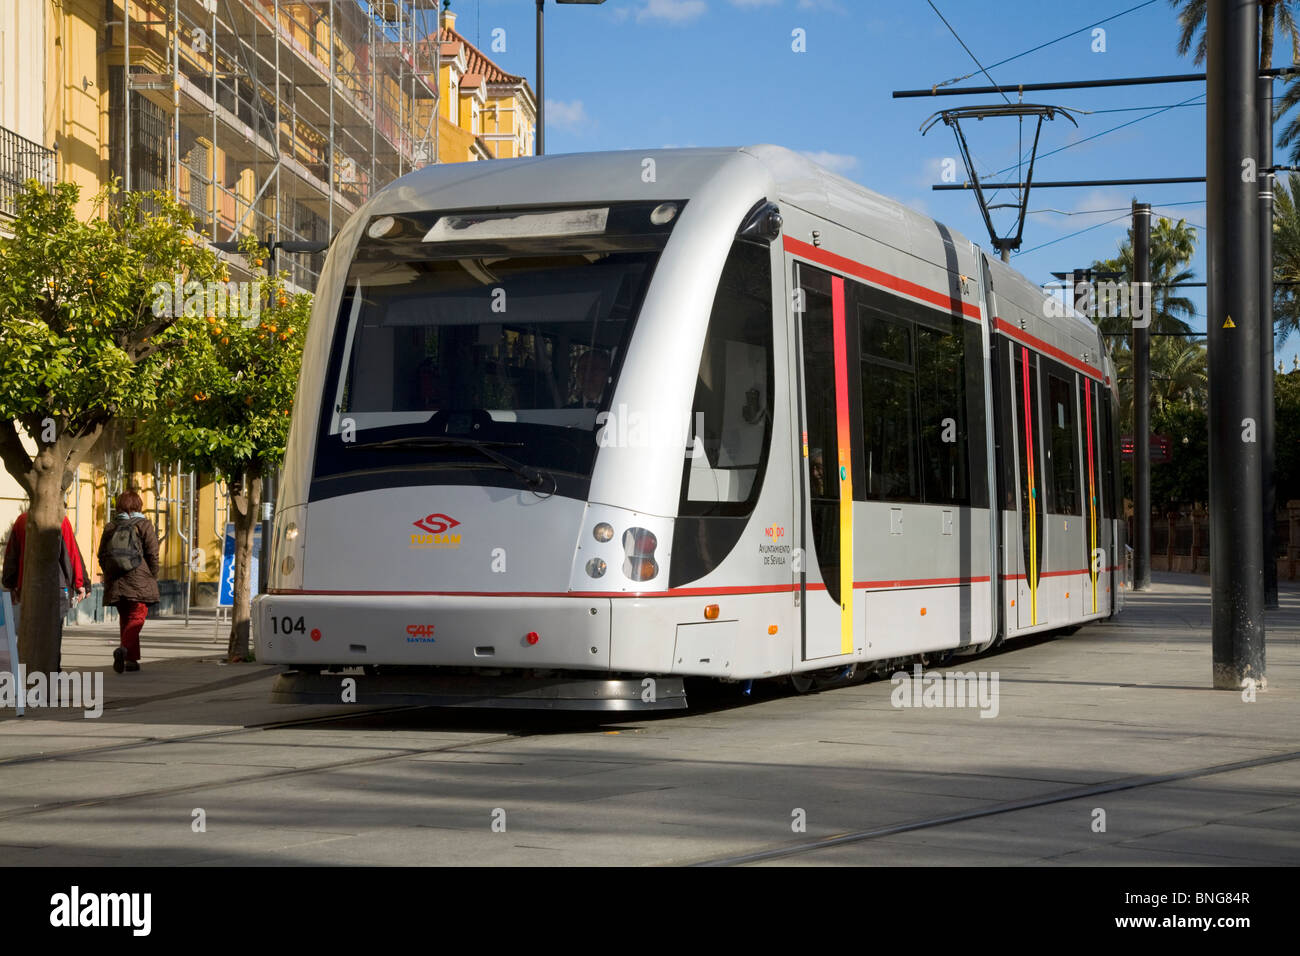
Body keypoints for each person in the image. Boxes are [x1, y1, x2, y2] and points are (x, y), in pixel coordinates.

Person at [1, 511, 88, 666]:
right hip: (56, 586)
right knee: (54, 632)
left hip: (27, 585)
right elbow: (70, 554)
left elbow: (12, 555)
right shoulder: (60, 520)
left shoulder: (22, 520)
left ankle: (30, 666)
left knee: (31, 631)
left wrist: (10, 583)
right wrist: (79, 583)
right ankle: (51, 668)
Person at [97, 491, 160, 674]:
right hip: (139, 578)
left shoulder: (111, 526)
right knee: (137, 617)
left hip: (116, 580)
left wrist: (110, 572)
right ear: (139, 505)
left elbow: (101, 555)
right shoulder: (144, 525)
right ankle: (124, 650)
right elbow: (152, 554)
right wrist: (152, 575)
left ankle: (131, 660)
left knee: (126, 618)